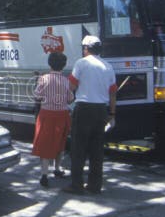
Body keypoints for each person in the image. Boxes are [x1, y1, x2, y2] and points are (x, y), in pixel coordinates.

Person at [62, 35, 117, 195]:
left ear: (86, 49)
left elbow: (72, 85)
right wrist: (112, 114)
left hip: (84, 109)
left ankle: (76, 184)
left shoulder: (81, 63)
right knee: (97, 149)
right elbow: (113, 93)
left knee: (78, 148)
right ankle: (95, 185)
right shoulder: (108, 66)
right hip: (101, 110)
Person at [32, 52, 73, 188]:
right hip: (62, 114)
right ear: (63, 65)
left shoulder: (43, 79)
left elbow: (37, 96)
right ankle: (57, 168)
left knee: (45, 144)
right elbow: (70, 99)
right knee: (59, 142)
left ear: (50, 63)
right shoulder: (66, 81)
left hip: (46, 115)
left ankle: (44, 174)